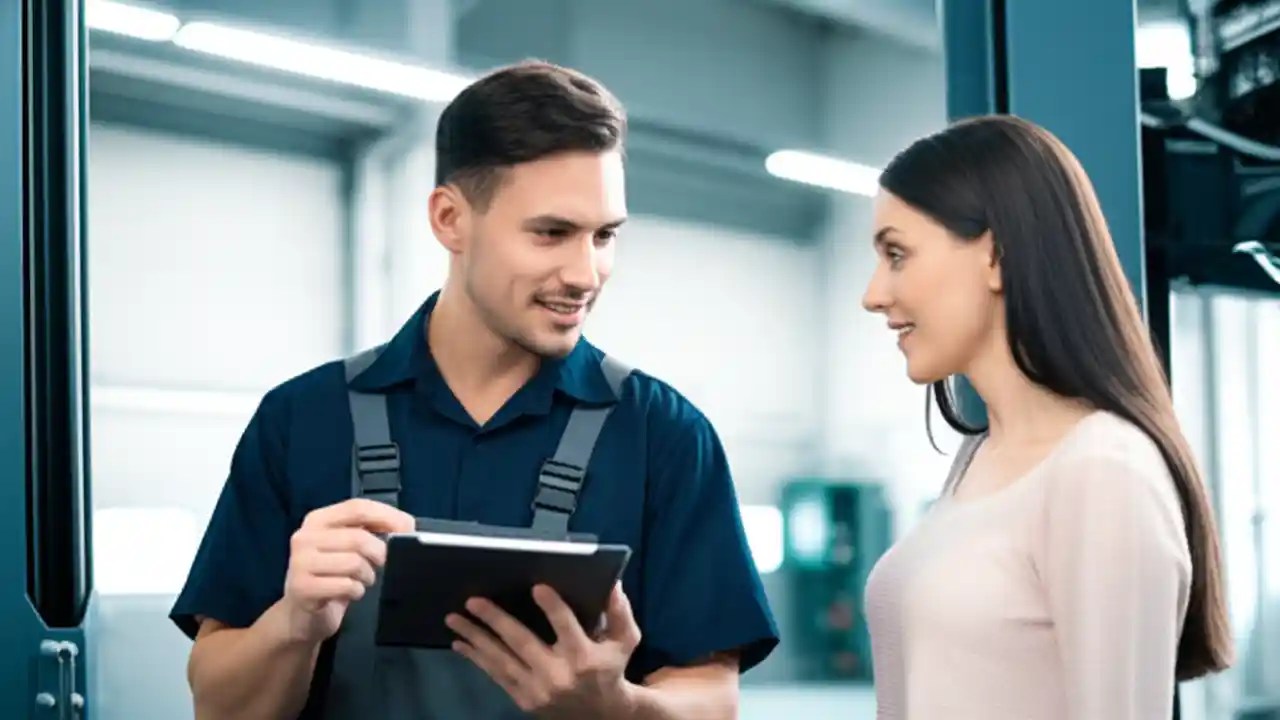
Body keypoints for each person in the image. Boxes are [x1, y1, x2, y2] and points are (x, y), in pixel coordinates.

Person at [170, 59, 778, 719]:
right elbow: (219, 708)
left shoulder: (664, 435)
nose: (586, 272)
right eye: (551, 233)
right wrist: (294, 623)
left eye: (604, 235)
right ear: (450, 219)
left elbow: (712, 698)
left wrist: (619, 709)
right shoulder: (301, 420)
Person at [859, 115, 1234, 719]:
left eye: (897, 254)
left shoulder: (1104, 470)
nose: (874, 293)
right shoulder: (977, 460)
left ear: (996, 255)